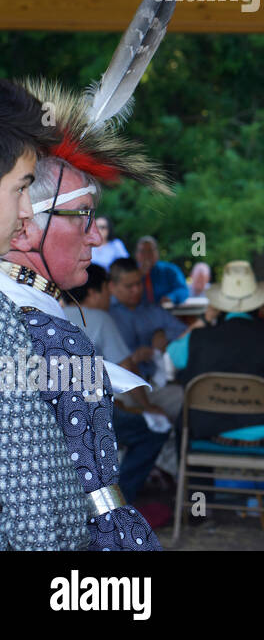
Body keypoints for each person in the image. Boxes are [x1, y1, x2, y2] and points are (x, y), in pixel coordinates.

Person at [0, 75, 171, 549]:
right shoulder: (30, 330)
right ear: (27, 226)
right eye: (83, 215)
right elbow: (38, 502)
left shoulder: (26, 318)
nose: (97, 236)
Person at [166, 261, 264, 524]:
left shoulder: (198, 339)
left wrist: (205, 318)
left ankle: (199, 510)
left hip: (210, 433)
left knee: (188, 420)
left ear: (219, 304)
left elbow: (171, 355)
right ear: (260, 302)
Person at [63, 264, 168, 503]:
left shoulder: (53, 314)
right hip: (94, 412)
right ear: (94, 292)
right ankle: (120, 500)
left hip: (61, 410)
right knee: (153, 431)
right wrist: (146, 406)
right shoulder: (99, 318)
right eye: (106, 291)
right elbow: (126, 368)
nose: (110, 297)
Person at [108, 256, 190, 409]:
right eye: (129, 286)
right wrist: (131, 359)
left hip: (152, 384)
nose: (137, 290)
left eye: (139, 284)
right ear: (112, 286)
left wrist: (164, 334)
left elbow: (185, 334)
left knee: (187, 399)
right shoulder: (105, 314)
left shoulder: (153, 310)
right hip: (119, 389)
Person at [133, 235, 190, 308]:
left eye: (150, 251)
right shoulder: (129, 273)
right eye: (143, 251)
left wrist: (171, 297)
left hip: (165, 314)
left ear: (157, 253)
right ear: (136, 254)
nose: (146, 255)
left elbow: (183, 290)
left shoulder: (170, 270)